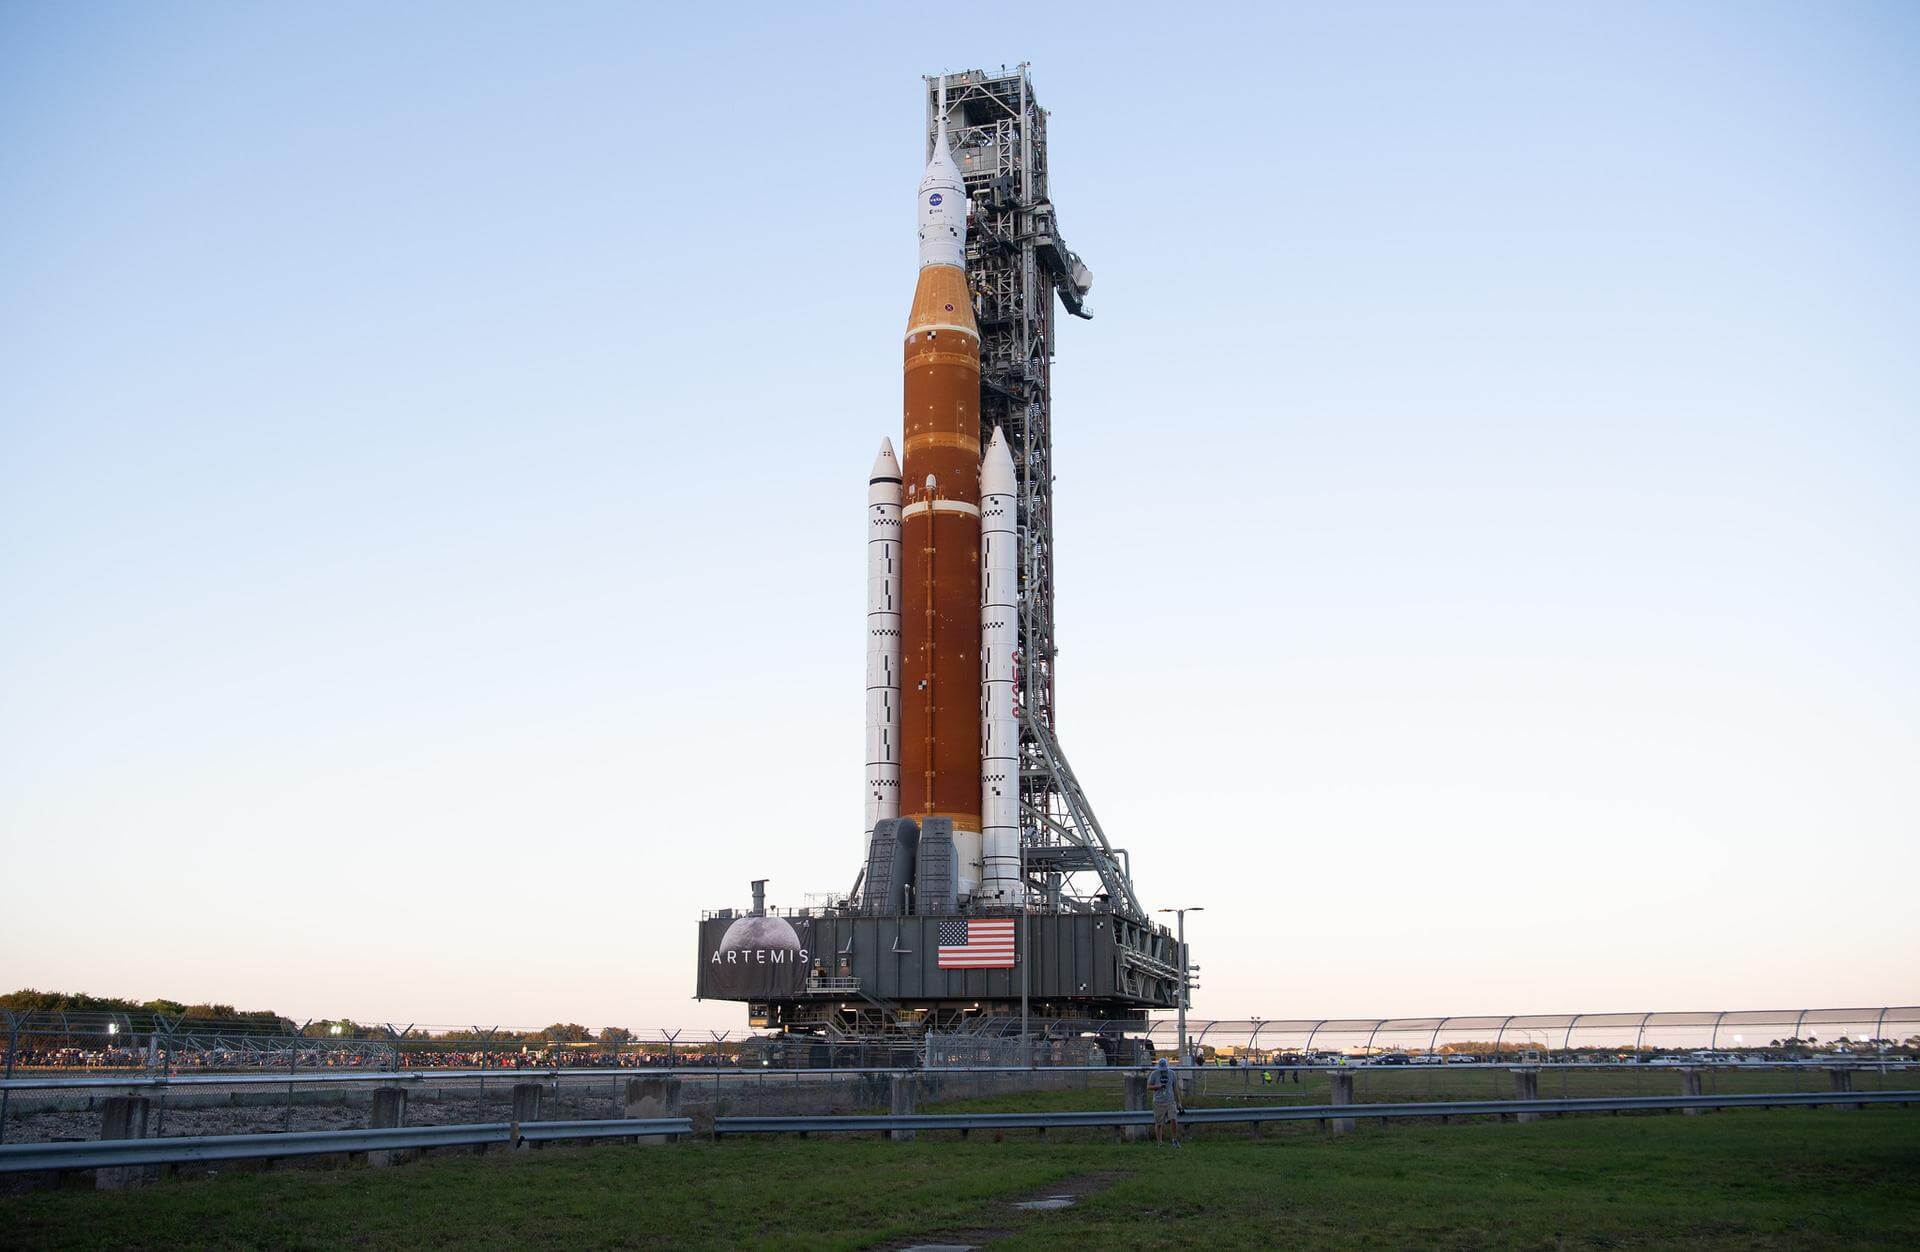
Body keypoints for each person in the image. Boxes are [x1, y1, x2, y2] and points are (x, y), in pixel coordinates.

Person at [1146, 1056, 1182, 1146]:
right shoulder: (1154, 1074)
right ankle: (1160, 1143)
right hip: (1158, 1102)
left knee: (1173, 1119)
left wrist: (1179, 1102)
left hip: (1170, 1101)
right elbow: (1148, 1087)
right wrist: (1158, 1086)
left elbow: (1175, 1088)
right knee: (1159, 1123)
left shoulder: (1172, 1074)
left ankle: (1174, 1139)